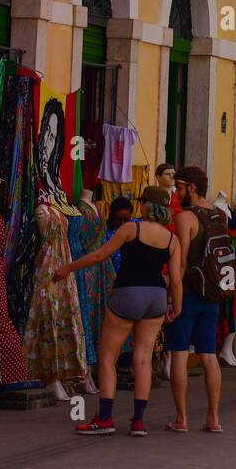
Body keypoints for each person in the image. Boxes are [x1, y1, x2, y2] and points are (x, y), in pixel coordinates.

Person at [60, 186, 181, 436]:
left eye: (143, 201)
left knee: (108, 357)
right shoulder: (172, 239)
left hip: (128, 292)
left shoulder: (131, 229)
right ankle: (138, 422)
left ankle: (105, 418)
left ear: (147, 205)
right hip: (156, 297)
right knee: (144, 359)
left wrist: (68, 268)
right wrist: (175, 305)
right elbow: (176, 280)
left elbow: (99, 256)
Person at [165, 166, 224, 433]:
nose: (176, 194)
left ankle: (182, 418)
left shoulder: (186, 217)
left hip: (188, 293)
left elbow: (181, 262)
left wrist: (172, 296)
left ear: (192, 187)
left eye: (179, 188)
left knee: (179, 354)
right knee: (209, 356)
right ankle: (213, 418)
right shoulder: (219, 214)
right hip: (212, 293)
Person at [102, 196, 134, 273]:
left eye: (126, 219)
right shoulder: (105, 231)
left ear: (131, 216)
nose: (122, 223)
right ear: (112, 216)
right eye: (118, 219)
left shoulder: (137, 227)